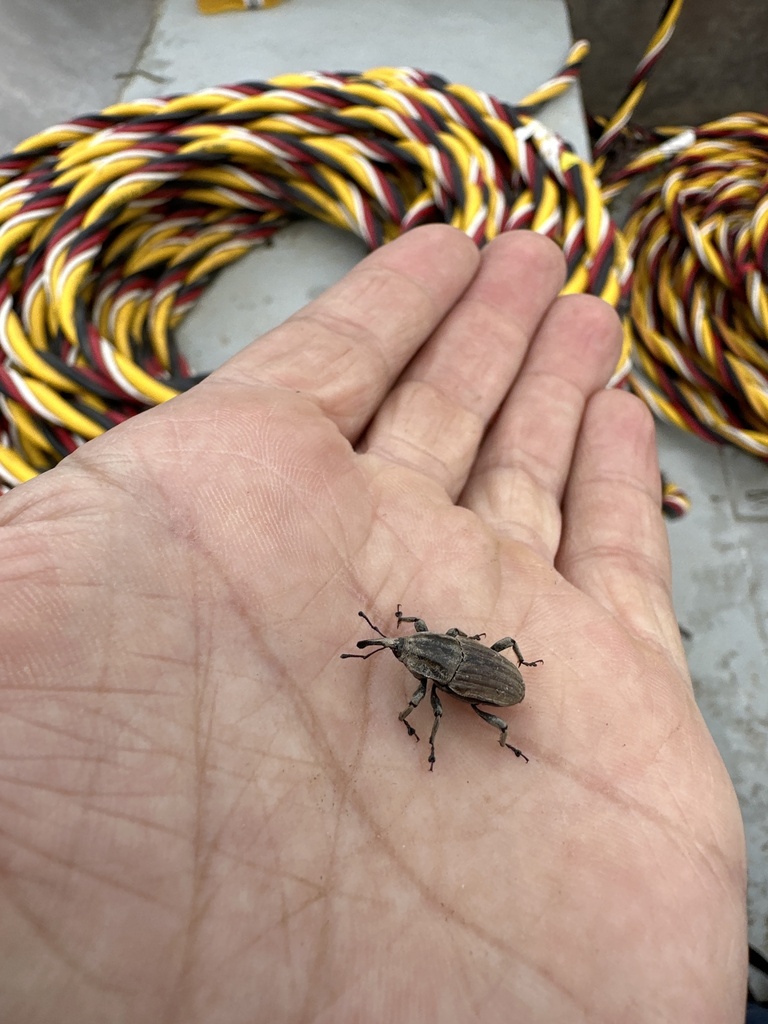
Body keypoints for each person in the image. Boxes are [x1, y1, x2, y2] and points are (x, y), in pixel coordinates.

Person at [0, 226, 750, 1022]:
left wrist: (421, 709)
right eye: (399, 647)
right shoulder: (431, 656)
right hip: (483, 673)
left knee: (469, 712)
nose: (399, 650)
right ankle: (503, 724)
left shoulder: (440, 665)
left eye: (401, 646)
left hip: (496, 681)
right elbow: (418, 651)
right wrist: (396, 642)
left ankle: (506, 732)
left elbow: (435, 686)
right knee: (464, 699)